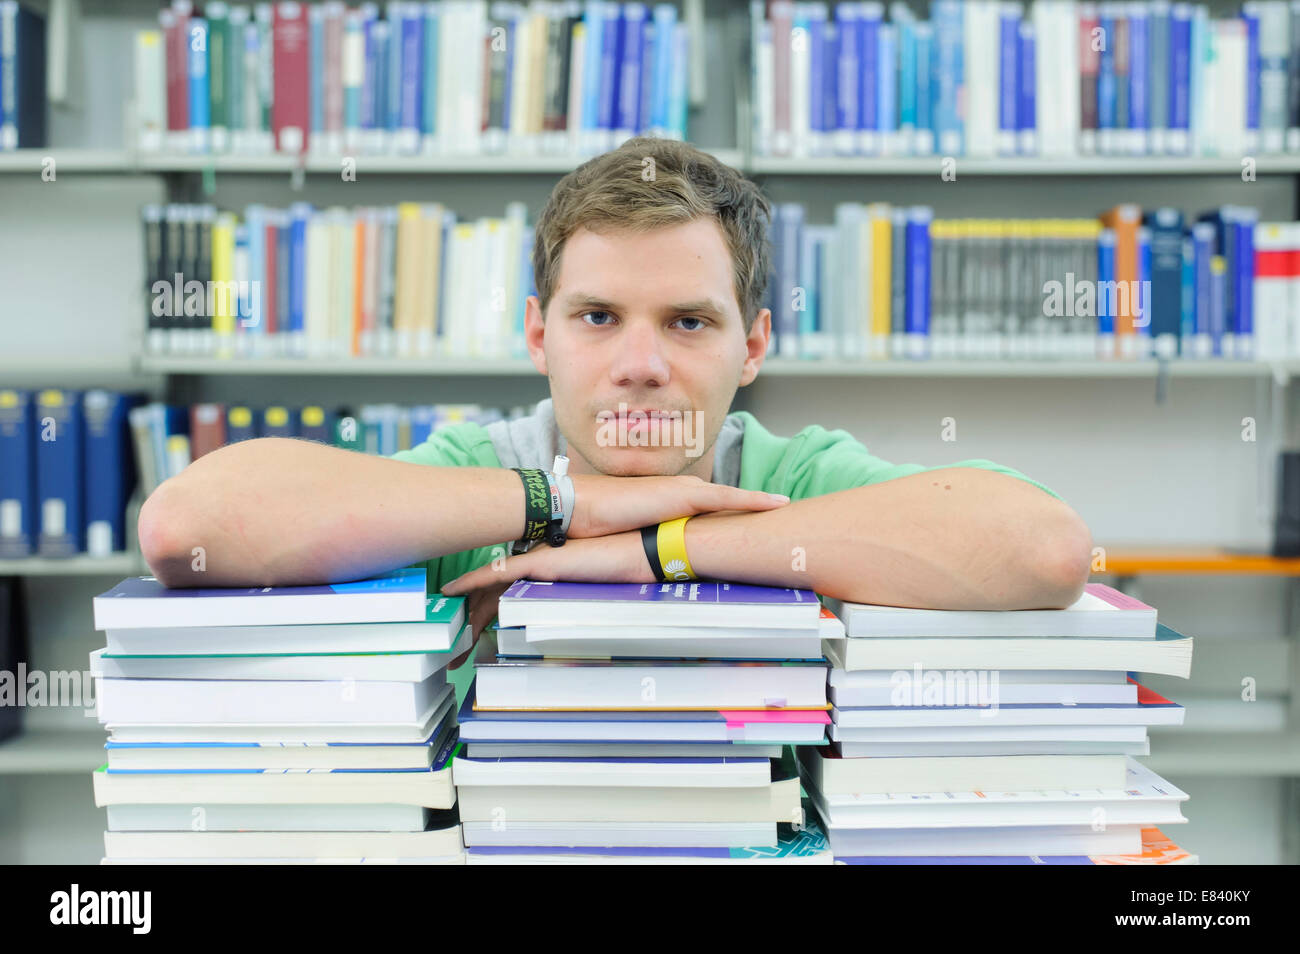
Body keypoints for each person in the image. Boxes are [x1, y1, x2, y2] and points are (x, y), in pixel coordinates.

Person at [138, 136, 1093, 666]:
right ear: (538, 335)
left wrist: (653, 549)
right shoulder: (484, 472)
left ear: (753, 346)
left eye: (688, 322)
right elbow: (187, 528)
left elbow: (1043, 549)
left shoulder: (786, 478)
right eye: (598, 317)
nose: (640, 364)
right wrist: (565, 506)